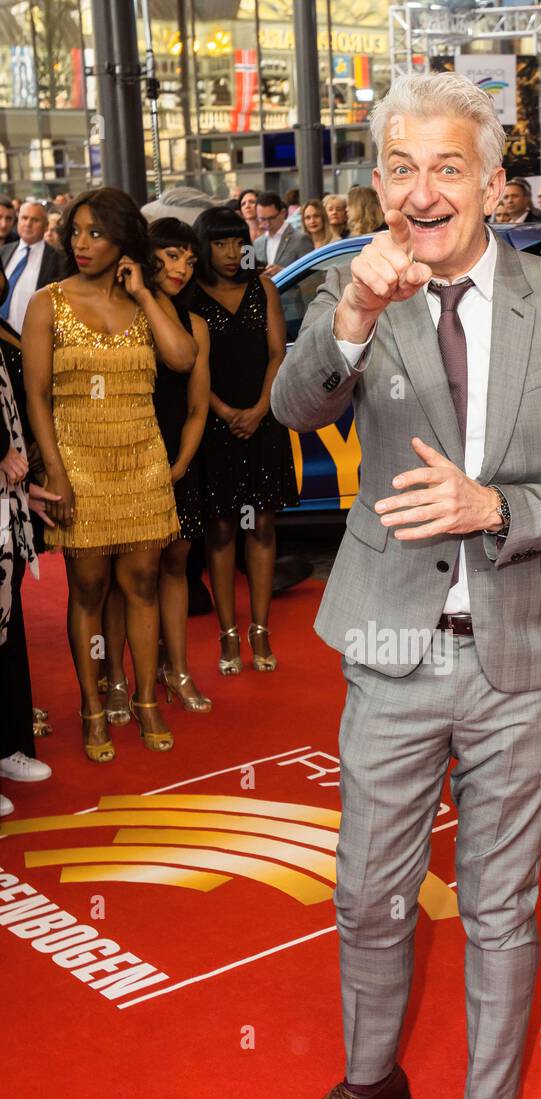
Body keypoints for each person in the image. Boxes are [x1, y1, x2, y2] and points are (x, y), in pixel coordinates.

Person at [265, 71, 541, 1099]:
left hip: (523, 651)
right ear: (378, 182)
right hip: (390, 643)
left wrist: (495, 511)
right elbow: (292, 407)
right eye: (402, 169)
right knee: (366, 894)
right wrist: (357, 317)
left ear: (491, 180)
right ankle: (372, 1081)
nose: (424, 193)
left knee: (498, 900)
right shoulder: (350, 287)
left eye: (448, 168)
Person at [23, 187, 197, 761]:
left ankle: (146, 699)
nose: (81, 244)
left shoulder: (143, 299)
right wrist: (56, 472)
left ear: (125, 240)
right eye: (75, 232)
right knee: (90, 589)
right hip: (78, 463)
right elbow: (38, 397)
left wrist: (145, 294)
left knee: (143, 585)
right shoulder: (48, 302)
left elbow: (182, 358)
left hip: (142, 460)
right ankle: (93, 706)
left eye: (96, 233)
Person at [102, 217, 212, 720]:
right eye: (172, 255)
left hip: (177, 463)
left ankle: (177, 669)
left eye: (190, 260)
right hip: (124, 464)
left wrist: (182, 464)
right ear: (148, 255)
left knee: (175, 567)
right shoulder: (118, 315)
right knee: (125, 577)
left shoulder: (194, 326)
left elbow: (195, 407)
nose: (182, 268)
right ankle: (117, 677)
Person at [192, 206, 299, 675]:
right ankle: (228, 635)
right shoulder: (190, 296)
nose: (233, 253)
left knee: (262, 528)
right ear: (204, 247)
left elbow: (278, 352)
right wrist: (224, 411)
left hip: (263, 419)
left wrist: (258, 410)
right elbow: (191, 367)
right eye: (220, 244)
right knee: (219, 532)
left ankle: (261, 630)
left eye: (239, 242)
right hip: (213, 425)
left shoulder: (264, 288)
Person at [0, 258, 58, 815]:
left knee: (8, 631)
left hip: (5, 509)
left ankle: (8, 745)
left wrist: (23, 486)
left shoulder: (2, 332)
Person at [0, 201, 65, 334]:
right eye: (24, 218)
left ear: (46, 226)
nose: (28, 224)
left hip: (35, 339)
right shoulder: (3, 252)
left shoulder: (59, 260)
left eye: (35, 220)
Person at [253, 194, 312, 275]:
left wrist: (284, 272)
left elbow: (311, 275)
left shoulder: (301, 239)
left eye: (271, 218)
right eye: (262, 219)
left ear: (283, 213)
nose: (267, 223)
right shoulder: (258, 243)